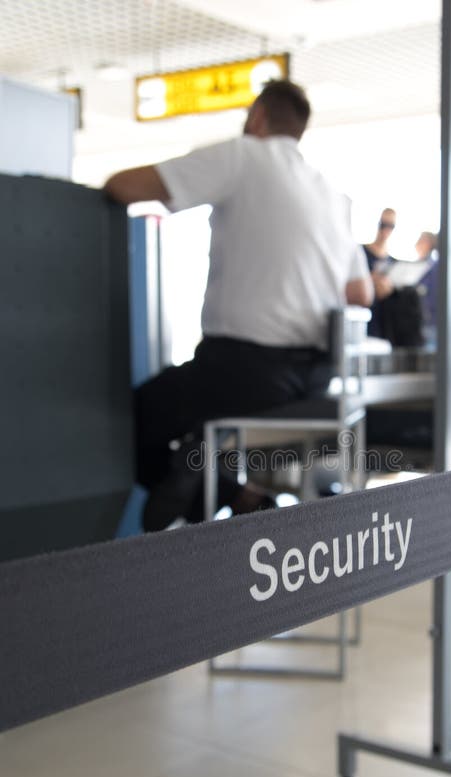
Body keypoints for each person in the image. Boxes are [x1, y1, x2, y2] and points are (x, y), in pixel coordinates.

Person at [104, 79, 372, 530]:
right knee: (194, 411)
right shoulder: (331, 193)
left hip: (243, 372)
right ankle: (227, 487)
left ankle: (212, 482)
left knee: (127, 420)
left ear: (257, 118)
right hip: (314, 381)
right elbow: (360, 295)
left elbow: (122, 187)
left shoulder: (244, 155)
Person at [362, 209, 423, 347]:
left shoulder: (393, 262)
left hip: (386, 324)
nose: (386, 230)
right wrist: (371, 280)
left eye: (391, 226)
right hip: (365, 320)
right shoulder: (360, 253)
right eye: (383, 224)